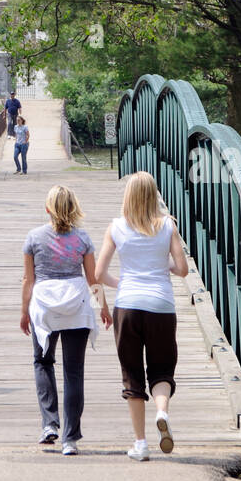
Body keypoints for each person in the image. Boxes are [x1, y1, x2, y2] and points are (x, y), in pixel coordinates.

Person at [94, 170, 189, 461]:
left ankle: (141, 444)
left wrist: (121, 283)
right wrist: (166, 270)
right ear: (153, 196)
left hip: (128, 307)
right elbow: (183, 269)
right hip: (161, 306)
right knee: (161, 371)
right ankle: (162, 412)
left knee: (132, 377)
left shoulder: (116, 227)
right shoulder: (167, 226)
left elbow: (98, 274)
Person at [21, 186, 111, 456]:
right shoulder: (82, 239)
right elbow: (93, 280)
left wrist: (24, 311)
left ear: (47, 208)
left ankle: (49, 423)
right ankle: (70, 439)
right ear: (74, 207)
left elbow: (29, 280)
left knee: (43, 362)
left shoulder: (34, 238)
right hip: (76, 306)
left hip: (45, 307)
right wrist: (104, 309)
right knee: (74, 372)